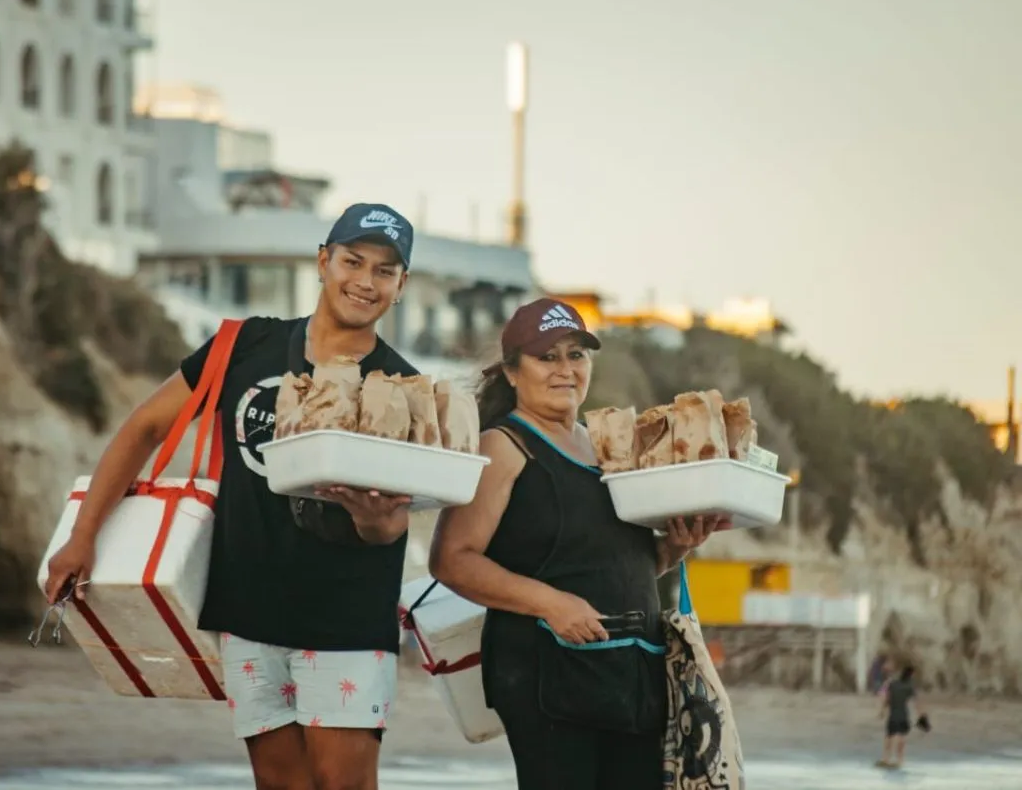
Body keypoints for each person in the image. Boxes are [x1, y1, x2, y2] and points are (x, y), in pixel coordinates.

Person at [44, 203, 420, 790]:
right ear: (324, 262)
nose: (364, 282)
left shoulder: (402, 389)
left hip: (346, 615)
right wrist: (82, 536)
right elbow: (144, 427)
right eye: (353, 261)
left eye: (384, 271)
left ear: (401, 287)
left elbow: (391, 525)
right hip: (248, 609)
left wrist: (371, 520)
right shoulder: (246, 345)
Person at [429, 297, 726, 790]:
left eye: (576, 355)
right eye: (547, 357)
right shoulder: (501, 446)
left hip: (631, 670)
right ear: (510, 371)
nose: (565, 369)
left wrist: (674, 548)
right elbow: (451, 560)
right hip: (546, 674)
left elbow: (611, 564)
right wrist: (550, 604)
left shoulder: (609, 449)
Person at [877, 665, 928, 770]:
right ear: (911, 675)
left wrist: (882, 711)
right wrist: (922, 716)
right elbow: (916, 703)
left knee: (889, 737)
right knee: (901, 738)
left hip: (892, 715)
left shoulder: (893, 684)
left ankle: (886, 759)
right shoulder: (909, 687)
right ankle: (899, 761)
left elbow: (887, 698)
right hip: (903, 715)